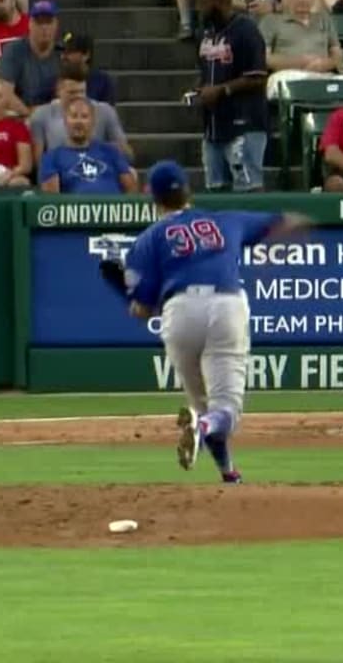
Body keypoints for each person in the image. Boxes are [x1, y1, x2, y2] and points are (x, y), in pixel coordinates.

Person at [119, 160, 311, 484]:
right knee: (225, 412)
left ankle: (229, 473)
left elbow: (141, 309)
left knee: (204, 406)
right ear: (188, 190)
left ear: (152, 197)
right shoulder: (225, 220)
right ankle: (204, 427)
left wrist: (137, 305)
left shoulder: (148, 239)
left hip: (179, 311)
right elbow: (290, 220)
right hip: (225, 306)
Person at [196, 0, 270, 192]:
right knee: (216, 192)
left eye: (203, 2)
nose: (199, 8)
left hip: (244, 125)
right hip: (213, 127)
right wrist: (198, 91)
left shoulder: (247, 31)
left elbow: (257, 77)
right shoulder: (205, 34)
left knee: (249, 191)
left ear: (218, 1)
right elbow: (207, 72)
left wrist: (222, 90)